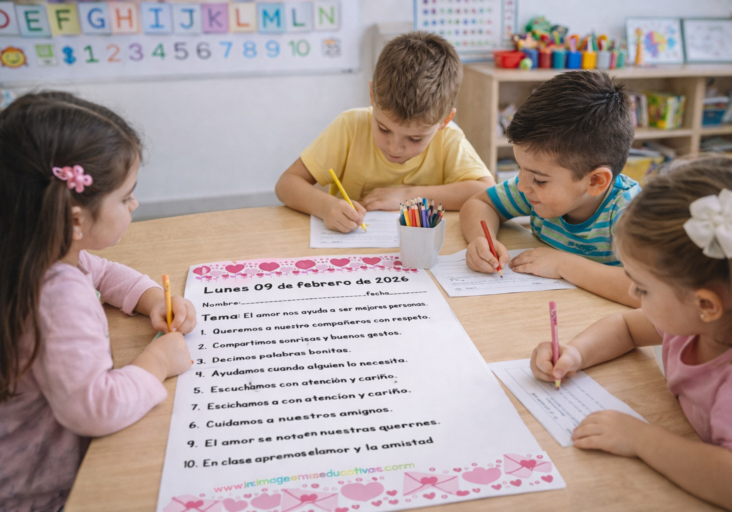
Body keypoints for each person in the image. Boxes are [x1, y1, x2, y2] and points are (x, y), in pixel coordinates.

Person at [0, 92, 195, 511]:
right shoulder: (57, 297)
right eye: (125, 198)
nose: (134, 204)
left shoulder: (18, 245)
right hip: (20, 489)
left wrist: (147, 298)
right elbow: (94, 408)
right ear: (75, 219)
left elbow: (100, 272)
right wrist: (157, 363)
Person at [531, 158, 732, 509]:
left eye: (642, 288)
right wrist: (576, 353)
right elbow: (624, 327)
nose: (633, 297)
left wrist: (641, 439)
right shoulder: (692, 321)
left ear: (707, 304)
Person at [276, 31, 495, 233]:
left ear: (445, 120)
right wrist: (326, 207)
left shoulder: (449, 140)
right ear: (372, 96)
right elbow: (287, 184)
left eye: (414, 138)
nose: (394, 147)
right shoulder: (350, 127)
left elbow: (486, 192)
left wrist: (409, 196)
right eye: (383, 128)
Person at [461, 70, 640, 307]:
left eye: (539, 180)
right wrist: (482, 240)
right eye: (520, 168)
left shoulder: (628, 213)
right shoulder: (533, 188)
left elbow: (646, 292)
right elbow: (480, 203)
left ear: (595, 181)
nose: (522, 185)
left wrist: (563, 264)